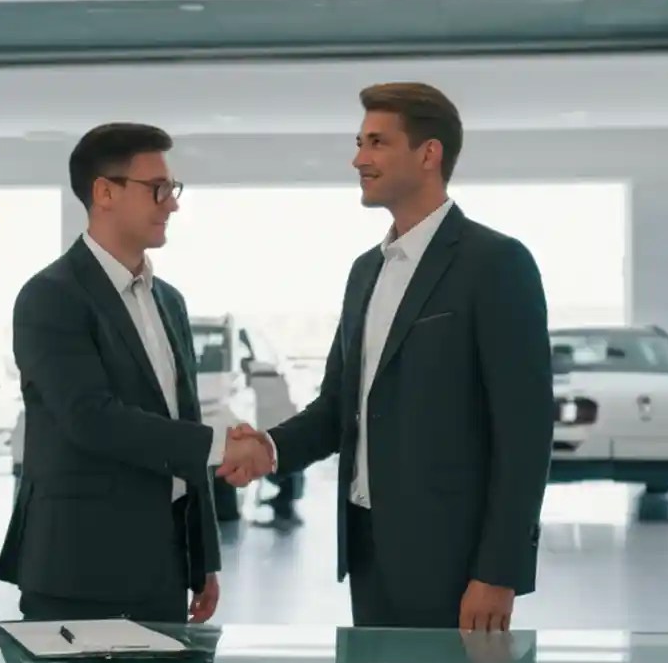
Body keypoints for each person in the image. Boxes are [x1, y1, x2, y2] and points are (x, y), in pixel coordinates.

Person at [220, 82, 553, 631]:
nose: (358, 158)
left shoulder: (495, 263)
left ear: (429, 154)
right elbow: (337, 410)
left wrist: (500, 572)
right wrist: (269, 449)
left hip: (458, 562)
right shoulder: (364, 272)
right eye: (359, 142)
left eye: (377, 142)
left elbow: (525, 432)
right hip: (369, 552)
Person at [0, 122, 273, 623]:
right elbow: (92, 418)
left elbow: (177, 419)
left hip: (161, 570)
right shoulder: (51, 297)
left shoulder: (170, 302)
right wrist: (222, 445)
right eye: (158, 189)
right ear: (104, 192)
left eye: (173, 189)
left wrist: (203, 558)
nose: (173, 203)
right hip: (77, 572)